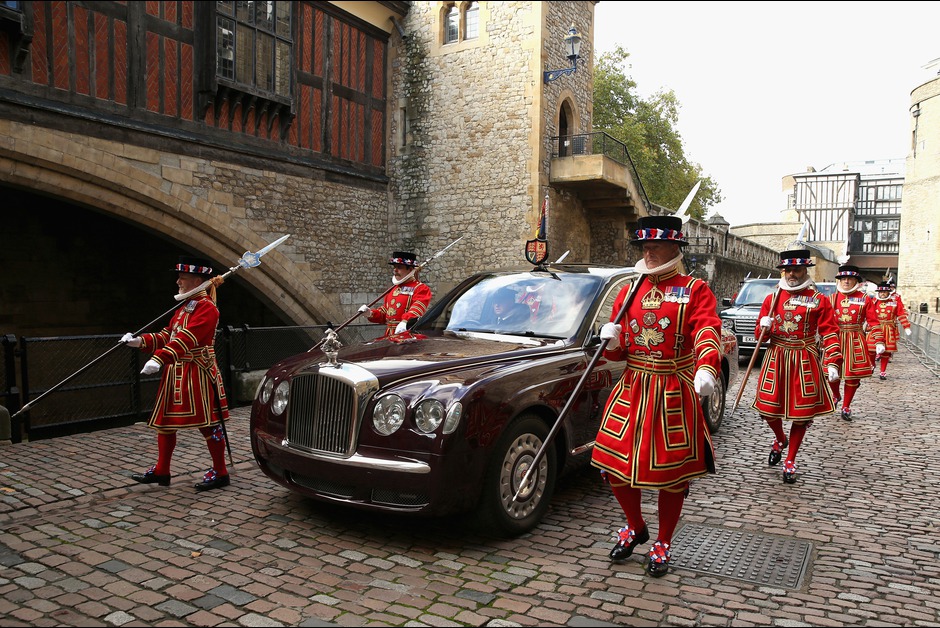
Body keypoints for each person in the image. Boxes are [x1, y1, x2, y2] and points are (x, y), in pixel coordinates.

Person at [591, 215, 723, 578]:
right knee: (613, 464)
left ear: (674, 248)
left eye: (654, 247)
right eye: (643, 247)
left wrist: (707, 367)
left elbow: (707, 328)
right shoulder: (630, 289)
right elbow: (620, 350)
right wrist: (614, 341)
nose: (647, 253)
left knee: (671, 473)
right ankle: (635, 525)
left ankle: (663, 540)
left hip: (672, 388)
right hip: (633, 386)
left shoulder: (694, 289)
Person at [121, 255, 231, 491]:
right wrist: (139, 341)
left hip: (198, 372)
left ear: (197, 280)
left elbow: (188, 339)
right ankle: (162, 470)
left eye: (183, 278)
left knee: (209, 423)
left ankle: (221, 471)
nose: (178, 282)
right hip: (176, 371)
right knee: (165, 423)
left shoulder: (207, 309)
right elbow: (167, 334)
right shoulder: (185, 307)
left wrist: (159, 357)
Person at [752, 249, 842, 486]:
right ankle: (780, 439)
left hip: (804, 359)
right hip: (776, 357)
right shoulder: (772, 299)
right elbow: (759, 335)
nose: (792, 274)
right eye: (788, 269)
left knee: (801, 415)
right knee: (767, 409)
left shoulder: (819, 300)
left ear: (805, 271)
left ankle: (790, 460)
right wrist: (763, 326)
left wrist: (833, 360)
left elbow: (830, 332)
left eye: (797, 269)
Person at [828, 264, 880, 421]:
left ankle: (846, 406)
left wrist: (879, 340)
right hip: (835, 339)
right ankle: (836, 395)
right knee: (831, 374)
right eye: (843, 278)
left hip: (856, 339)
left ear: (856, 280)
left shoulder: (865, 299)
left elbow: (874, 321)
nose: (846, 281)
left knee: (852, 377)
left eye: (849, 278)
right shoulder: (831, 298)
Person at [359, 251, 432, 338]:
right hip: (390, 335)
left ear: (410, 269)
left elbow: (416, 310)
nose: (395, 270)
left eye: (399, 267)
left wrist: (405, 321)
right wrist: (370, 313)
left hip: (407, 334)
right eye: (394, 267)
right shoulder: (393, 289)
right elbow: (385, 312)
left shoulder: (420, 288)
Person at [867, 280, 911, 380]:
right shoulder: (873, 301)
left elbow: (901, 314)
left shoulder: (894, 303)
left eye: (884, 292)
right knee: (870, 350)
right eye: (880, 292)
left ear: (888, 292)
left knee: (886, 352)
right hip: (875, 328)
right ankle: (872, 364)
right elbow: (867, 314)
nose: (882, 294)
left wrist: (906, 326)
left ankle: (883, 371)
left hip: (888, 329)